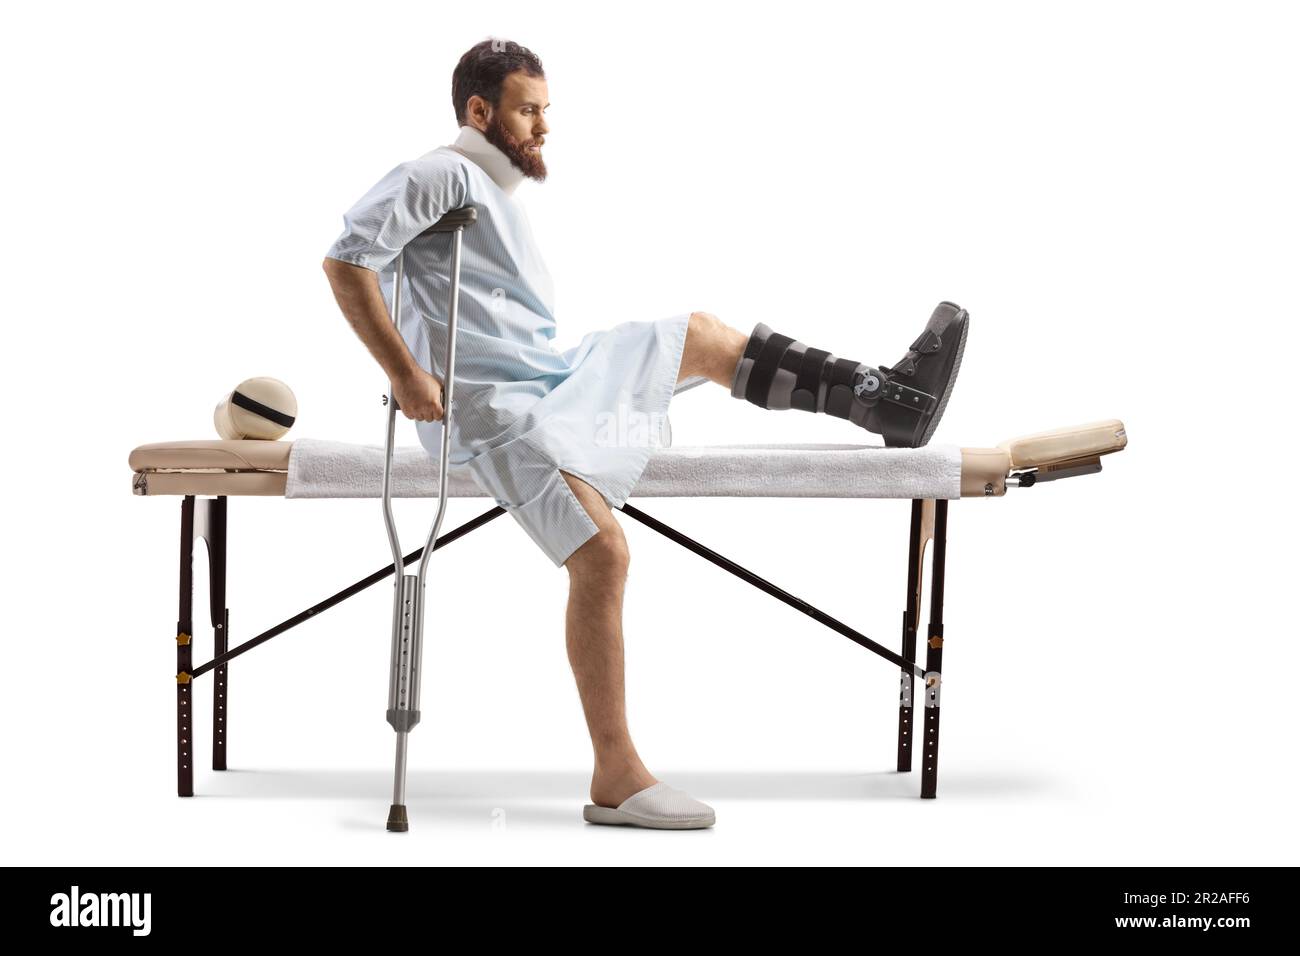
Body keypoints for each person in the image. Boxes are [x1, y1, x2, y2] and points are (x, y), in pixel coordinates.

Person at [322, 38, 969, 830]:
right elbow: (346, 260)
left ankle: (885, 401)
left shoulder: (491, 192)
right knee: (604, 553)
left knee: (695, 332)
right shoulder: (440, 174)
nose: (543, 128)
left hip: (552, 379)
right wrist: (404, 374)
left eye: (546, 112)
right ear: (479, 111)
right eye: (528, 111)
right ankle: (616, 776)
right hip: (494, 412)